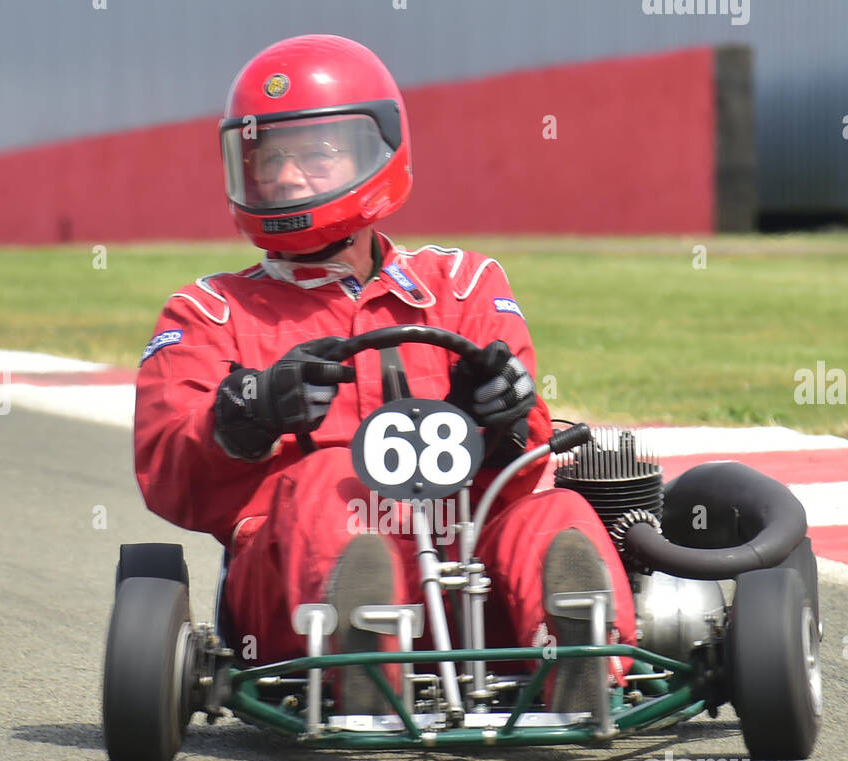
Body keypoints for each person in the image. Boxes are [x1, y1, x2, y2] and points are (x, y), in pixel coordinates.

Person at [134, 34, 636, 714]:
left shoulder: (461, 285)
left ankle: (577, 658)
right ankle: (365, 656)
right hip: (292, 596)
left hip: (467, 573)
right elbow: (167, 472)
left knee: (554, 512)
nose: (283, 178)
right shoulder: (210, 310)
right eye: (268, 157)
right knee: (323, 482)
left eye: (312, 154)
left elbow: (525, 458)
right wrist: (245, 413)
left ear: (377, 151)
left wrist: (498, 417)